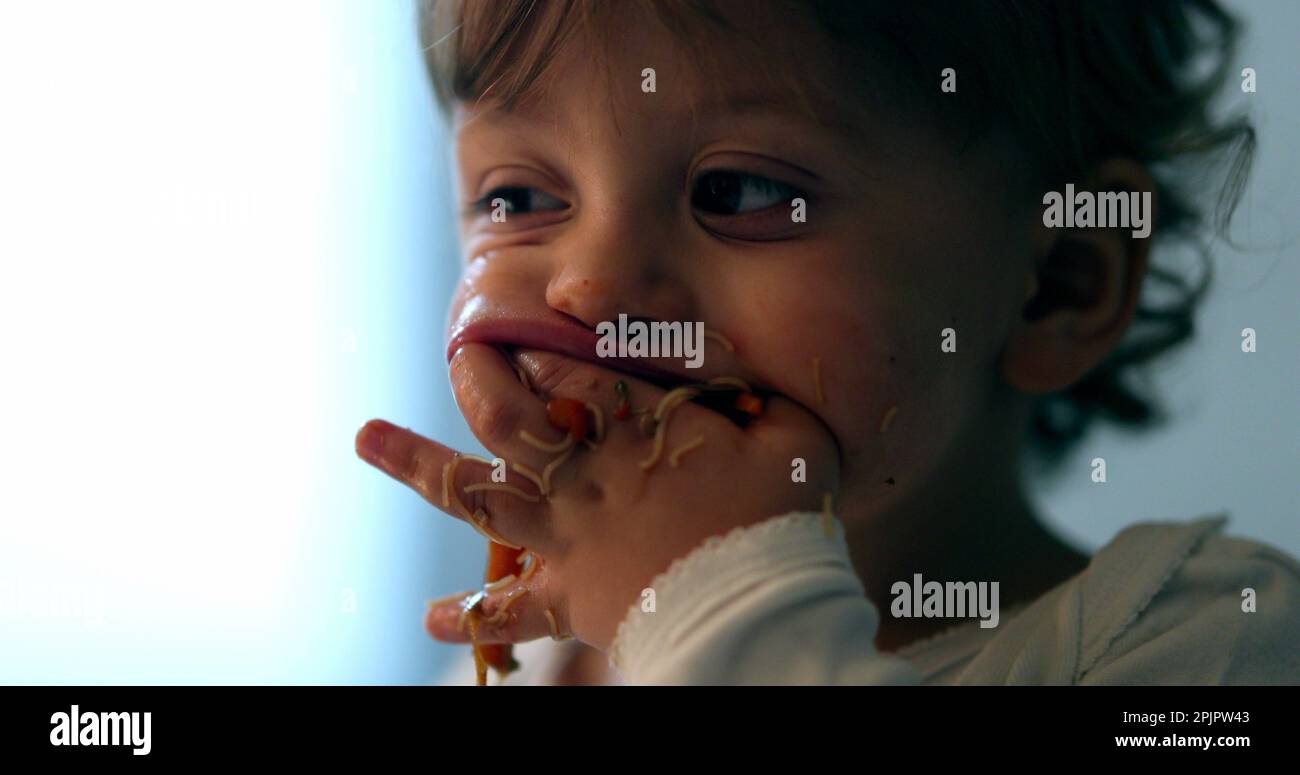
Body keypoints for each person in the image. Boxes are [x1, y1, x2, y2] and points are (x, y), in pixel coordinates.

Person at [357, 0, 1299, 685]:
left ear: (1057, 288)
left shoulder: (1211, 648)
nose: (585, 284)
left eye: (738, 192)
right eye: (515, 198)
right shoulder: (541, 665)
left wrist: (713, 610)